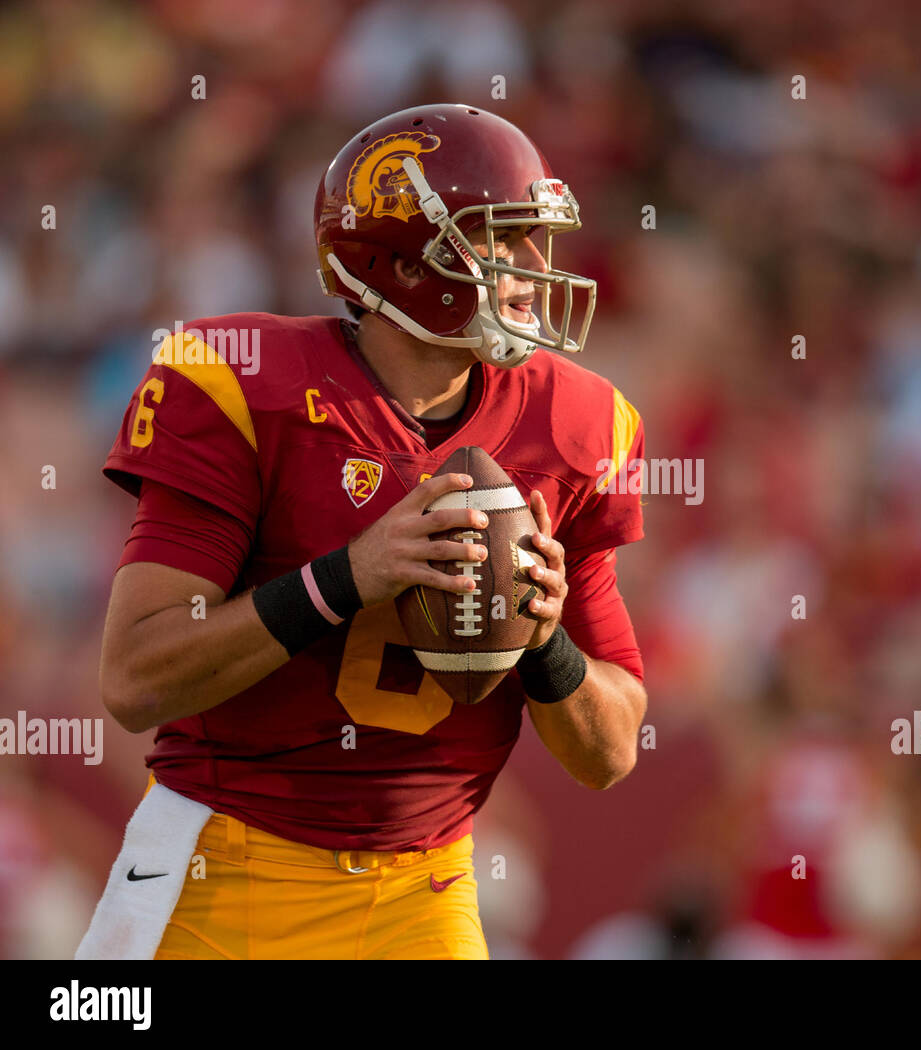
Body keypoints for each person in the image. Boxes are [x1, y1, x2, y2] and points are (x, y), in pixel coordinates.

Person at [76, 104, 647, 960]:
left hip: (429, 889)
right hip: (221, 874)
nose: (532, 267)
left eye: (534, 238)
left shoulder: (576, 423)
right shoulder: (239, 382)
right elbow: (134, 678)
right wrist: (345, 578)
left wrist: (542, 635)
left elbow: (610, 753)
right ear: (404, 261)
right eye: (501, 239)